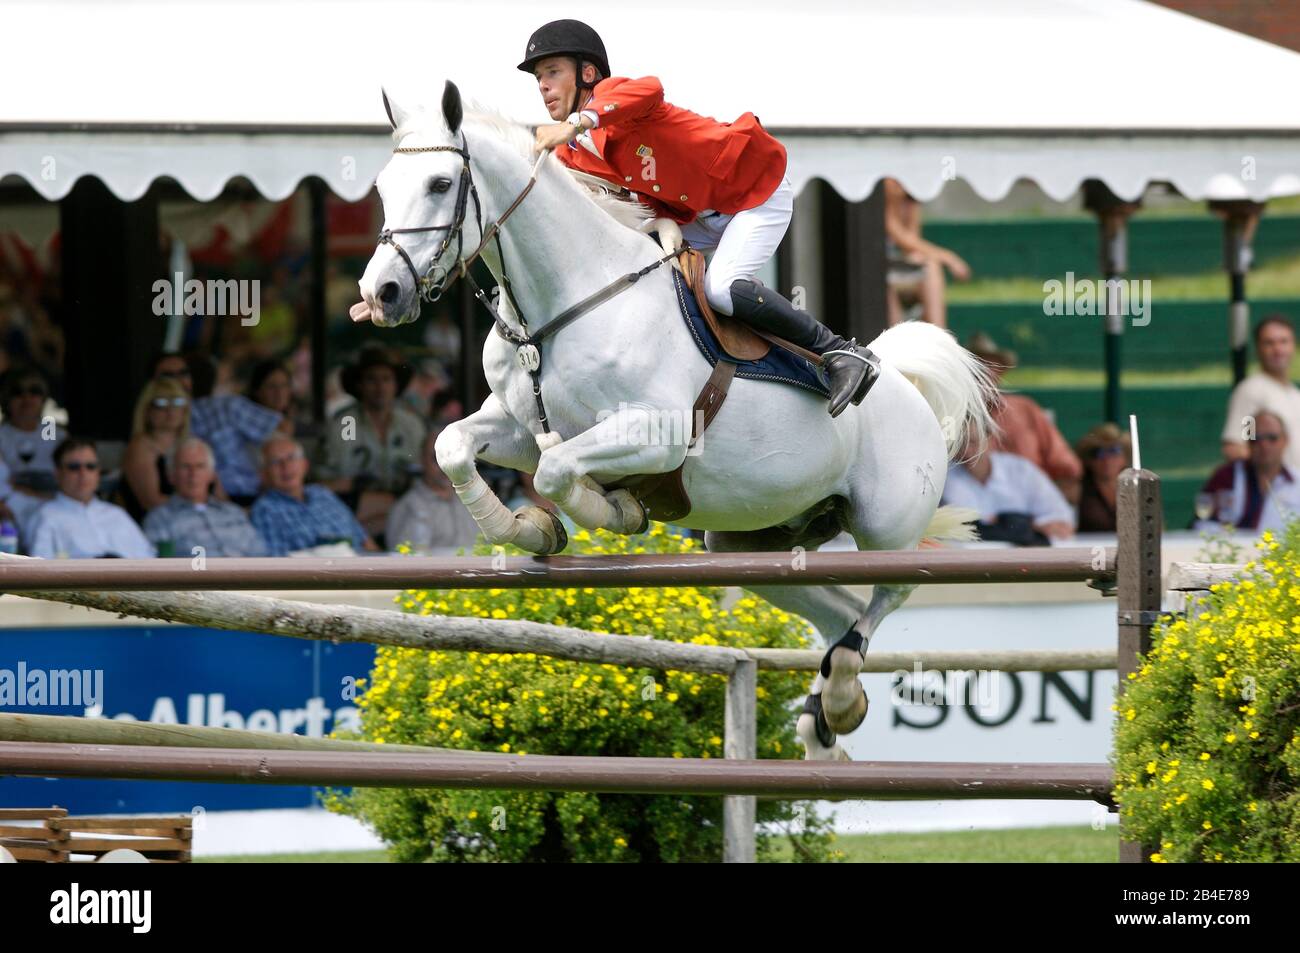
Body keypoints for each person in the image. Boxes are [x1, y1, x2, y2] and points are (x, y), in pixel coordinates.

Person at [521, 19, 878, 417]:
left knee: (722, 289)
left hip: (752, 194)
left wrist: (575, 123)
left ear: (587, 73)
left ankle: (841, 352)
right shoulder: (571, 153)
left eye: (552, 72)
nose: (543, 86)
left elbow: (651, 86)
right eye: (539, 78)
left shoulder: (615, 99)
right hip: (693, 218)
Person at [317, 347, 427, 539]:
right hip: (356, 503)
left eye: (386, 379)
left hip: (406, 500)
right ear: (359, 385)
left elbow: (423, 466)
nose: (380, 387)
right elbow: (341, 470)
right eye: (371, 379)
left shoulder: (410, 423)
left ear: (395, 385)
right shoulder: (347, 422)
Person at [152, 351, 286, 507]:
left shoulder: (223, 407)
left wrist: (273, 477)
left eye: (184, 373)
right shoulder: (153, 433)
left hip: (255, 495)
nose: (178, 381)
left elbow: (279, 431)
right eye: (168, 376)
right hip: (204, 507)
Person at [968, 333, 1082, 504]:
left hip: (1032, 507)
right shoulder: (953, 414)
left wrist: (1046, 501)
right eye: (975, 366)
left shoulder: (1025, 410)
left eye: (988, 364)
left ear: (999, 370)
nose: (983, 373)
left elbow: (1068, 468)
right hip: (979, 508)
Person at [27, 438, 155, 559]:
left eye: (90, 466)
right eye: (74, 467)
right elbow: (39, 570)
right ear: (57, 474)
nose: (83, 474)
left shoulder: (118, 514)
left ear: (98, 472)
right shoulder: (45, 517)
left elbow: (150, 560)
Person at [941, 430, 1075, 545]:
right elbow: (967, 529)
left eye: (972, 442)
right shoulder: (945, 477)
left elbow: (1062, 521)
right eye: (960, 443)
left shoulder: (1021, 470)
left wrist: (1004, 524)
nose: (967, 451)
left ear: (990, 439)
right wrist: (1026, 526)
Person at [251, 435, 375, 556]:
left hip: (363, 566)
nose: (286, 466)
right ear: (263, 474)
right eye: (275, 461)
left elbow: (364, 539)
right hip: (320, 574)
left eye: (291, 458)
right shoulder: (265, 510)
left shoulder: (322, 493)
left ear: (305, 465)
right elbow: (276, 565)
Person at [143, 438, 267, 557]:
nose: (193, 474)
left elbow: (260, 554)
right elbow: (158, 567)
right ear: (171, 475)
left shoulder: (233, 512)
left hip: (243, 576)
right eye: (185, 467)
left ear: (212, 475)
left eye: (200, 466)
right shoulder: (160, 519)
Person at [883, 178, 971, 328]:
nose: (899, 186)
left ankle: (938, 333)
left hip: (898, 270)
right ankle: (894, 337)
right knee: (882, 287)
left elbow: (911, 242)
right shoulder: (878, 202)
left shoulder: (911, 200)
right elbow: (899, 236)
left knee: (929, 266)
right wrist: (949, 258)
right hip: (879, 271)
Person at [1197, 410, 1300, 533]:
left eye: (1272, 438)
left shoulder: (1297, 481)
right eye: (1255, 438)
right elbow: (1202, 525)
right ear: (1247, 442)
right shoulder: (1225, 477)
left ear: (1285, 440)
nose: (1264, 445)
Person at [1221, 315, 1300, 474]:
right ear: (1258, 348)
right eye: (1269, 343)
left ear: (1293, 346)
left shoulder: (1294, 393)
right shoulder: (1252, 391)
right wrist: (1270, 485)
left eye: (1284, 341)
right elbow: (1238, 446)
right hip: (1275, 495)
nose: (1278, 349)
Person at [385, 429, 481, 553]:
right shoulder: (408, 507)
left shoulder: (475, 501)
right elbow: (406, 562)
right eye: (436, 459)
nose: (446, 465)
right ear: (421, 460)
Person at [120, 376, 190, 522]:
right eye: (161, 403)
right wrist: (196, 506)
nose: (171, 410)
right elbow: (151, 502)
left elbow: (218, 493)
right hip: (160, 526)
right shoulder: (140, 447)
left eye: (178, 402)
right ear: (147, 410)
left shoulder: (192, 445)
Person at [0, 366, 64, 499]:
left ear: (43, 398)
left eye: (34, 391)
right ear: (6, 399)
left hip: (54, 500)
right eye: (17, 392)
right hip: (12, 501)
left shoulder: (50, 429)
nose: (27, 398)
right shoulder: (2, 434)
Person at [1073, 422, 1131, 533]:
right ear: (1088, 460)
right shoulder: (1076, 489)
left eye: (1114, 451)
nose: (1107, 459)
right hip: (1089, 549)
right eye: (1099, 452)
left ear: (1125, 458)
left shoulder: (1137, 488)